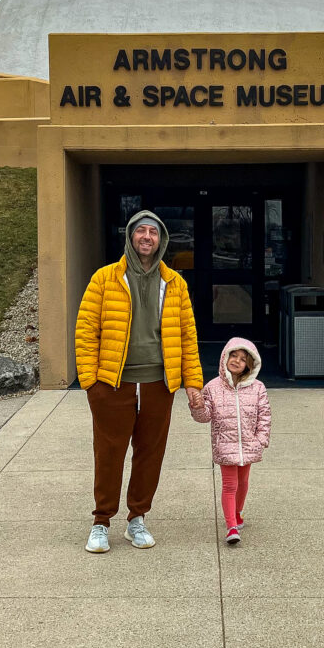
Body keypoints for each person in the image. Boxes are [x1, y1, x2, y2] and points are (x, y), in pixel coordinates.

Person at [75, 209, 204, 553]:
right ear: (130, 237)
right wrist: (91, 382)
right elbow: (86, 332)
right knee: (109, 455)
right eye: (141, 231)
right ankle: (101, 521)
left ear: (161, 241)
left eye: (154, 232)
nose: (147, 237)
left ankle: (137, 519)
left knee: (150, 454)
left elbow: (188, 336)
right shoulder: (104, 279)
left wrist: (192, 383)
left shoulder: (175, 283)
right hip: (113, 385)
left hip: (158, 385)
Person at [191, 336, 272, 545]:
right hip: (225, 445)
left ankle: (237, 513)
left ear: (249, 364)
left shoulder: (257, 388)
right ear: (224, 357)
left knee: (243, 483)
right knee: (230, 484)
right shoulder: (212, 387)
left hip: (248, 444)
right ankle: (231, 527)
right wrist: (198, 406)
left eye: (243, 359)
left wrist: (261, 439)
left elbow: (264, 415)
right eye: (233, 355)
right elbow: (205, 417)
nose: (237, 360)